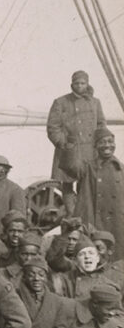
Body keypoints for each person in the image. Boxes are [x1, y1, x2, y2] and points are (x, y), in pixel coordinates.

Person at [46, 70, 106, 214]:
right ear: (71, 84)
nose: (79, 86)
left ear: (87, 84)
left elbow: (101, 124)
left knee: (86, 183)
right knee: (67, 184)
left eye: (82, 83)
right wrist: (64, 143)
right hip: (69, 150)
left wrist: (100, 143)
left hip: (90, 150)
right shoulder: (61, 102)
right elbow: (52, 127)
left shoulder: (95, 102)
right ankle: (72, 215)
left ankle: (85, 214)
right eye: (76, 83)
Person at [63, 126, 122, 262]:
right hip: (93, 224)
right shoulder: (87, 167)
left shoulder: (121, 169)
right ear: (95, 146)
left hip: (117, 226)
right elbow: (70, 167)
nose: (107, 145)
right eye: (102, 142)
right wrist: (71, 142)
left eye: (110, 141)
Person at [51, 235, 123, 302]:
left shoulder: (107, 284)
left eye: (91, 253)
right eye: (82, 254)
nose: (87, 257)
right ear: (76, 260)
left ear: (97, 258)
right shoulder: (63, 280)